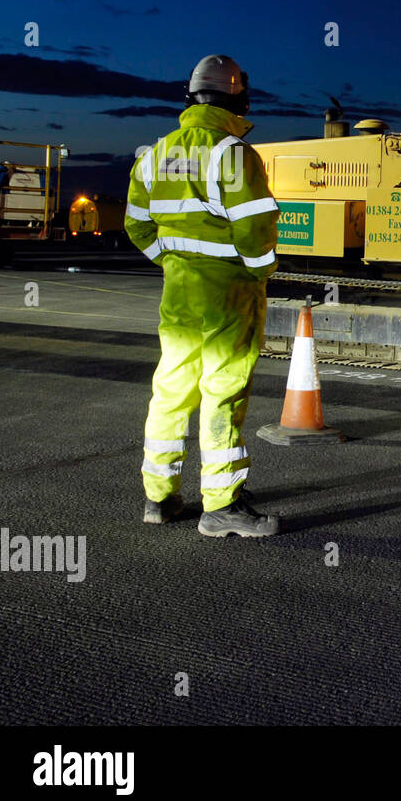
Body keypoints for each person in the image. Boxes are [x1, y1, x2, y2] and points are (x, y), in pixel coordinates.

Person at [125, 55, 282, 537]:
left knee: (171, 391)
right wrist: (257, 274)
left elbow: (136, 224)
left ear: (190, 97)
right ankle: (221, 506)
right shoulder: (232, 153)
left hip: (179, 294)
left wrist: (171, 260)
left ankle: (160, 498)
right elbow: (256, 229)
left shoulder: (154, 153)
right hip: (228, 294)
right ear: (238, 97)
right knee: (223, 392)